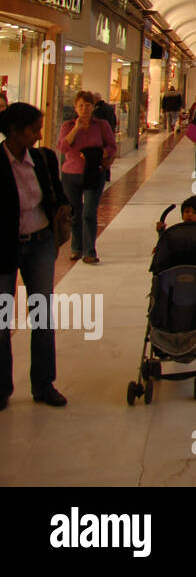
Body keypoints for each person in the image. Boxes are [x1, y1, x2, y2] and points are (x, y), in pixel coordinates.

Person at [0, 102, 72, 407]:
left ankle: (44, 384)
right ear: (14, 131)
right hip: (4, 247)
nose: (38, 135)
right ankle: (2, 388)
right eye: (33, 129)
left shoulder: (43, 159)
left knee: (41, 313)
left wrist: (62, 214)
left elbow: (57, 193)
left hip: (40, 241)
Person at [57, 90, 117, 265]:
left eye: (88, 105)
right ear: (76, 107)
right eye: (81, 105)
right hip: (71, 174)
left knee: (89, 212)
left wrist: (98, 154)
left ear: (93, 107)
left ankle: (90, 251)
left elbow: (112, 146)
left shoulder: (102, 125)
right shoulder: (68, 125)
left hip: (93, 173)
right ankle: (76, 248)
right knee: (74, 213)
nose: (84, 109)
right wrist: (76, 128)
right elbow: (63, 147)